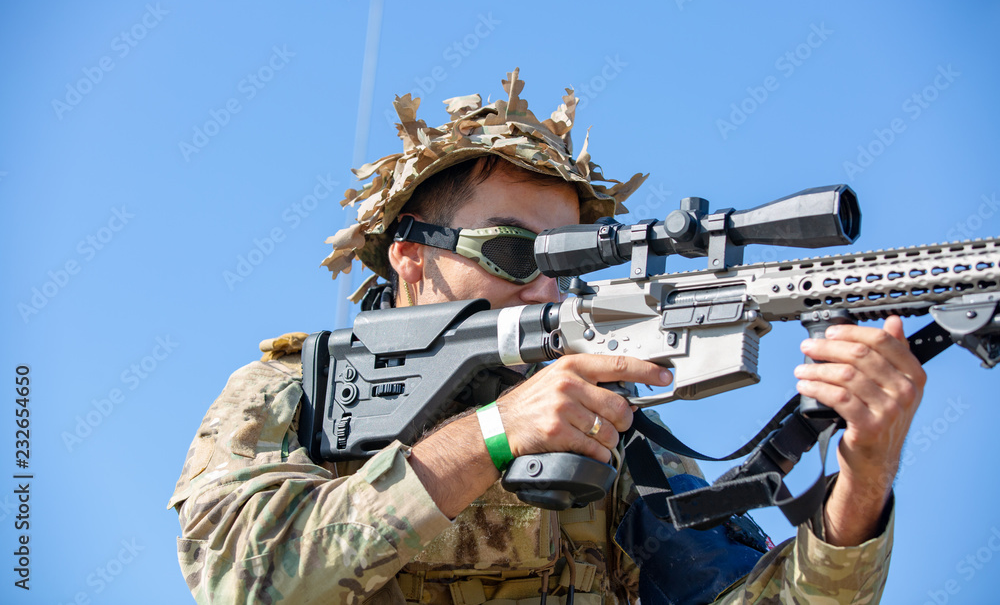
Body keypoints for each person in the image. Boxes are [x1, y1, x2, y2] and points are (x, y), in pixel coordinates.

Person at [168, 69, 926, 604]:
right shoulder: (295, 392)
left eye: (566, 262)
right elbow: (240, 578)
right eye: (511, 251)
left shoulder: (607, 428)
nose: (543, 285)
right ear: (411, 256)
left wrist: (861, 483)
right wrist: (494, 433)